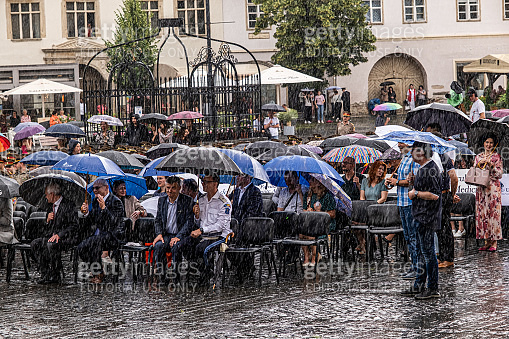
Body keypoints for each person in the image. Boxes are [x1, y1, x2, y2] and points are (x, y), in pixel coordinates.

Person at [174, 174, 232, 281]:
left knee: (200, 249)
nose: (203, 184)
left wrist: (201, 230)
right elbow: (199, 221)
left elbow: (220, 226)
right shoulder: (201, 200)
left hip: (217, 236)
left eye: (207, 182)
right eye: (203, 181)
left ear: (215, 184)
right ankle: (190, 271)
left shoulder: (224, 202)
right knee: (182, 245)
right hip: (202, 234)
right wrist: (196, 215)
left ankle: (205, 271)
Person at [404, 141, 442, 299]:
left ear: (421, 153)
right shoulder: (423, 169)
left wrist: (416, 193)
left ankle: (432, 288)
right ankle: (418, 285)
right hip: (419, 215)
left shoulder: (431, 169)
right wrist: (413, 183)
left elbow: (434, 195)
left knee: (428, 254)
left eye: (413, 151)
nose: (410, 153)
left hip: (427, 217)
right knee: (420, 252)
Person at [77, 178, 125, 283]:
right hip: (100, 235)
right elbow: (92, 220)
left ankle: (98, 273)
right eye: (93, 188)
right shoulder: (95, 201)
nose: (95, 190)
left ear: (106, 188)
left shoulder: (116, 201)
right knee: (81, 247)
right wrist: (85, 213)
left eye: (97, 188)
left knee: (94, 243)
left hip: (114, 235)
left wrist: (104, 208)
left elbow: (114, 222)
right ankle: (97, 270)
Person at [425, 124, 459, 268]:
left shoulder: (442, 157)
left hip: (442, 196)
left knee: (444, 228)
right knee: (439, 228)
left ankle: (448, 259)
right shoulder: (436, 156)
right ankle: (442, 257)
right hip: (439, 195)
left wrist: (451, 194)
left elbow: (454, 177)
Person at [31, 184, 78, 284]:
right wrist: (47, 219)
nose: (46, 197)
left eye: (47, 195)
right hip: (51, 236)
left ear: (52, 194)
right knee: (35, 243)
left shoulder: (69, 205)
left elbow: (74, 225)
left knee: (51, 245)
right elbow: (47, 226)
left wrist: (60, 235)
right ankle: (46, 273)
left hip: (66, 237)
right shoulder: (49, 206)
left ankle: (56, 274)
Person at [385, 142, 420, 280]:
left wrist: (397, 182)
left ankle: (418, 268)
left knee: (413, 237)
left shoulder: (414, 158)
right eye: (398, 142)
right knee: (407, 236)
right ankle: (413, 265)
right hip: (401, 202)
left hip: (410, 202)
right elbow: (400, 180)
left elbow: (414, 180)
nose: (399, 145)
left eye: (402, 142)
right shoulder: (403, 158)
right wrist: (391, 183)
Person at [152, 176, 194, 273]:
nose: (170, 191)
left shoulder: (187, 201)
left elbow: (189, 222)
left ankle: (176, 276)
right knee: (158, 246)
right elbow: (158, 220)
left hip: (181, 235)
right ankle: (162, 276)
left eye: (173, 188)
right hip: (167, 235)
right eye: (168, 188)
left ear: (179, 188)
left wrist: (179, 236)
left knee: (176, 247)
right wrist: (159, 234)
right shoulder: (162, 200)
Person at [474, 133, 503, 251]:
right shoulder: (478, 156)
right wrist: (479, 164)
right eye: (487, 142)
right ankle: (486, 241)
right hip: (481, 189)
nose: (489, 145)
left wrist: (492, 166)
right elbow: (474, 172)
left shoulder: (497, 157)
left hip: (493, 189)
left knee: (493, 214)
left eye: (491, 142)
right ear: (483, 143)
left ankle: (494, 242)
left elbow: (499, 174)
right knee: (483, 214)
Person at [302, 176, 336, 266]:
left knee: (311, 234)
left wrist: (320, 212)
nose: (310, 182)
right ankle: (306, 256)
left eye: (313, 180)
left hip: (324, 224)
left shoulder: (327, 196)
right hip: (311, 222)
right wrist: (308, 211)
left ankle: (315, 255)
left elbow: (333, 214)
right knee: (301, 233)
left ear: (319, 182)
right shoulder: (308, 195)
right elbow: (303, 210)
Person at [357, 161, 388, 254]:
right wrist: (364, 206)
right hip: (366, 209)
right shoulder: (365, 181)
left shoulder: (383, 182)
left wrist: (373, 206)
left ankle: (368, 245)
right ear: (374, 169)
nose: (381, 171)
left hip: (378, 210)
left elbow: (383, 198)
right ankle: (363, 243)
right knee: (355, 223)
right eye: (379, 168)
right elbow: (362, 197)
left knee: (366, 224)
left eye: (382, 170)